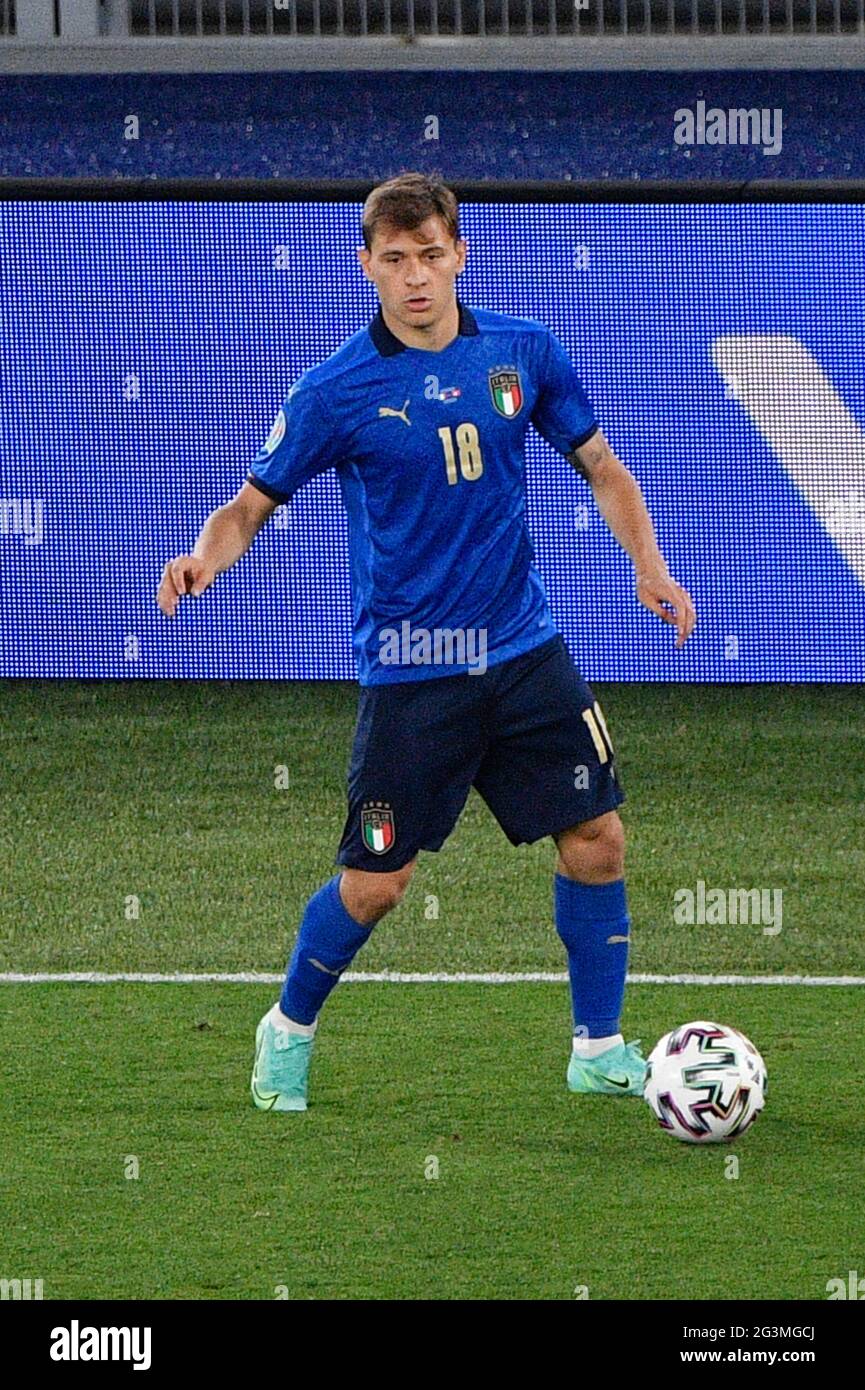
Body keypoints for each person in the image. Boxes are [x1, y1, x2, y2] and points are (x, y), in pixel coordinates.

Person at [156, 171, 697, 1113]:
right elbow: (249, 505)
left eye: (432, 256)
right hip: (412, 672)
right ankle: (286, 1029)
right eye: (396, 260)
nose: (416, 277)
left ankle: (597, 1044)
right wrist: (203, 558)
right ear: (367, 265)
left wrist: (649, 566)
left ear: (460, 255)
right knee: (376, 882)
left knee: (598, 839)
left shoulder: (522, 353)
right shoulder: (335, 390)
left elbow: (604, 469)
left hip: (526, 654)